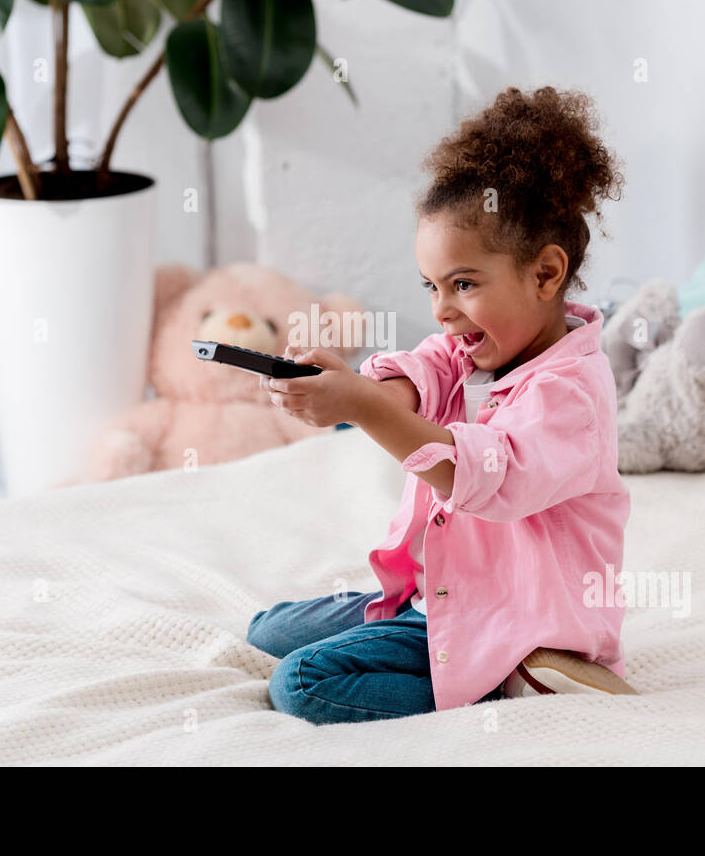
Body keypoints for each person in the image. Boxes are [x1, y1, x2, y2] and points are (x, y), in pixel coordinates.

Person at [247, 85, 633, 724]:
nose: (442, 308)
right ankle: (443, 643)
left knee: (299, 683)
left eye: (463, 284)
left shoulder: (570, 395)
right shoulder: (478, 348)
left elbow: (486, 475)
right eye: (431, 285)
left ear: (545, 275)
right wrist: (359, 392)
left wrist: (367, 411)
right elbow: (422, 370)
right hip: (440, 591)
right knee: (267, 629)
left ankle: (502, 683)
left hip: (516, 614)